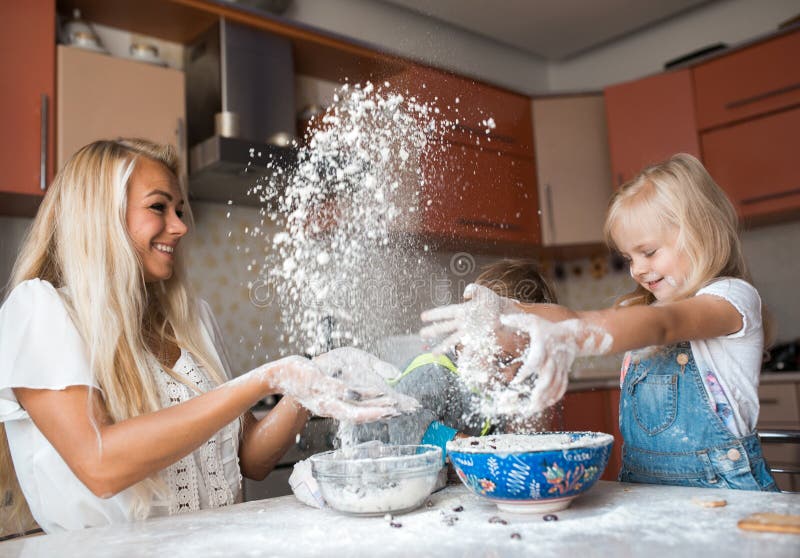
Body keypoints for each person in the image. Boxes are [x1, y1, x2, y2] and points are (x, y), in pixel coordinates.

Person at [0, 138, 408, 536]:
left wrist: (312, 377)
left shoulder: (192, 320)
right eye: (158, 207)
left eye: (179, 210)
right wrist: (263, 379)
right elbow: (100, 465)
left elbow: (253, 458)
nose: (179, 226)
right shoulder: (42, 312)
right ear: (99, 216)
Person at [421, 154, 777, 492]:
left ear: (702, 232)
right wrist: (507, 309)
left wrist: (575, 332)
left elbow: (664, 325)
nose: (637, 269)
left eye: (649, 252)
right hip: (645, 492)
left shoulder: (731, 298)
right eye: (628, 258)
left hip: (726, 493)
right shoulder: (641, 307)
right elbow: (570, 320)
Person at [346, 259, 560, 459]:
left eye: (526, 365)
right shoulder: (433, 370)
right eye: (502, 360)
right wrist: (473, 448)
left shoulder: (500, 382)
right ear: (471, 332)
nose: (511, 376)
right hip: (373, 468)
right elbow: (404, 425)